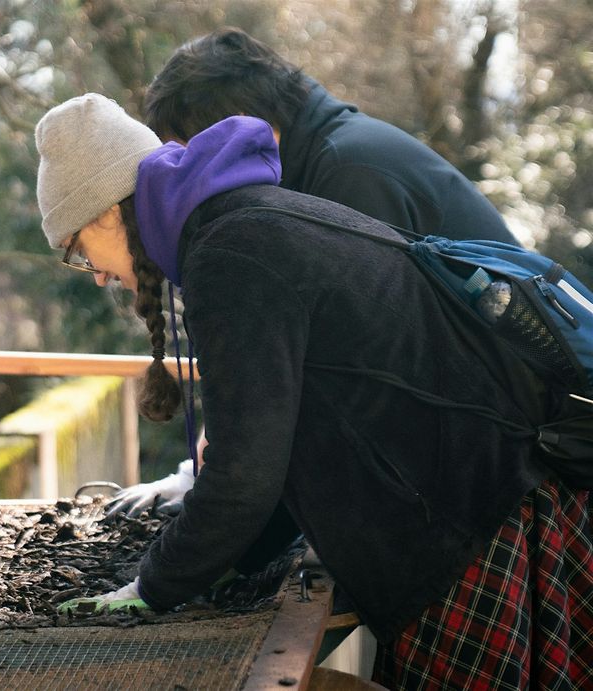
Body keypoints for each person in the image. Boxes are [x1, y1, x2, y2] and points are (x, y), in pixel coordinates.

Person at [36, 93, 593, 688]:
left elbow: (244, 474)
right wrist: (227, 560)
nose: (94, 274)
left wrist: (152, 586)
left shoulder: (229, 257)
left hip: (474, 522)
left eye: (76, 251)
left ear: (102, 213)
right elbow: (288, 438)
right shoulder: (250, 219)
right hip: (492, 494)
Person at [107, 25, 520, 516]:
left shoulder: (350, 174)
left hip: (506, 451)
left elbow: (332, 374)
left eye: (191, 150)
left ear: (239, 125)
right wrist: (199, 475)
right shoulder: (317, 164)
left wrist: (216, 492)